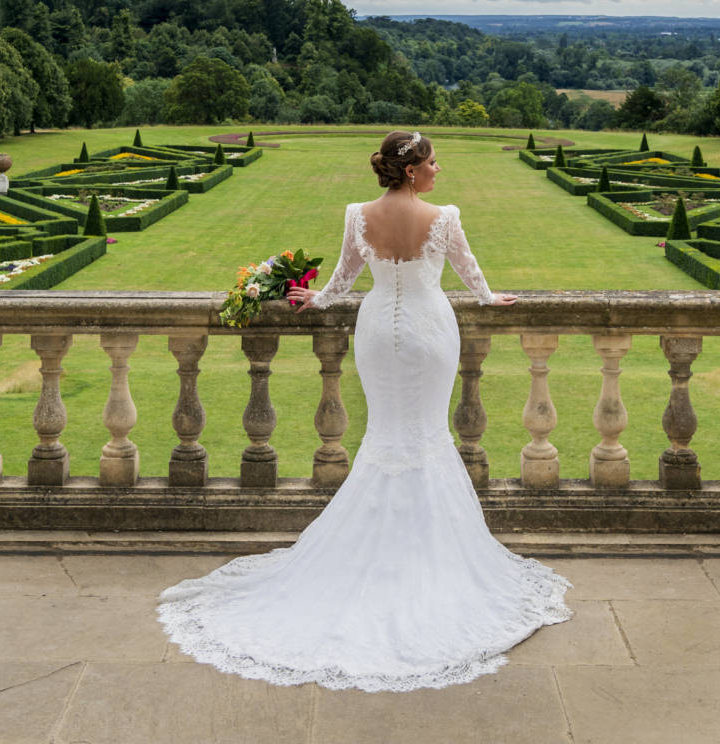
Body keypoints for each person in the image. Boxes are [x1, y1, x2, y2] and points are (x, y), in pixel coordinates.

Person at [156, 130, 572, 692]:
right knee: (425, 433)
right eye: (431, 162)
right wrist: (487, 299)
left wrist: (317, 299)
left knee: (387, 435)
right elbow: (470, 275)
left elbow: (342, 281)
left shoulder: (357, 214)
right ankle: (428, 556)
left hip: (377, 331)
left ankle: (378, 547)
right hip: (429, 330)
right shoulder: (444, 217)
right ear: (411, 171)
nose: (438, 169)